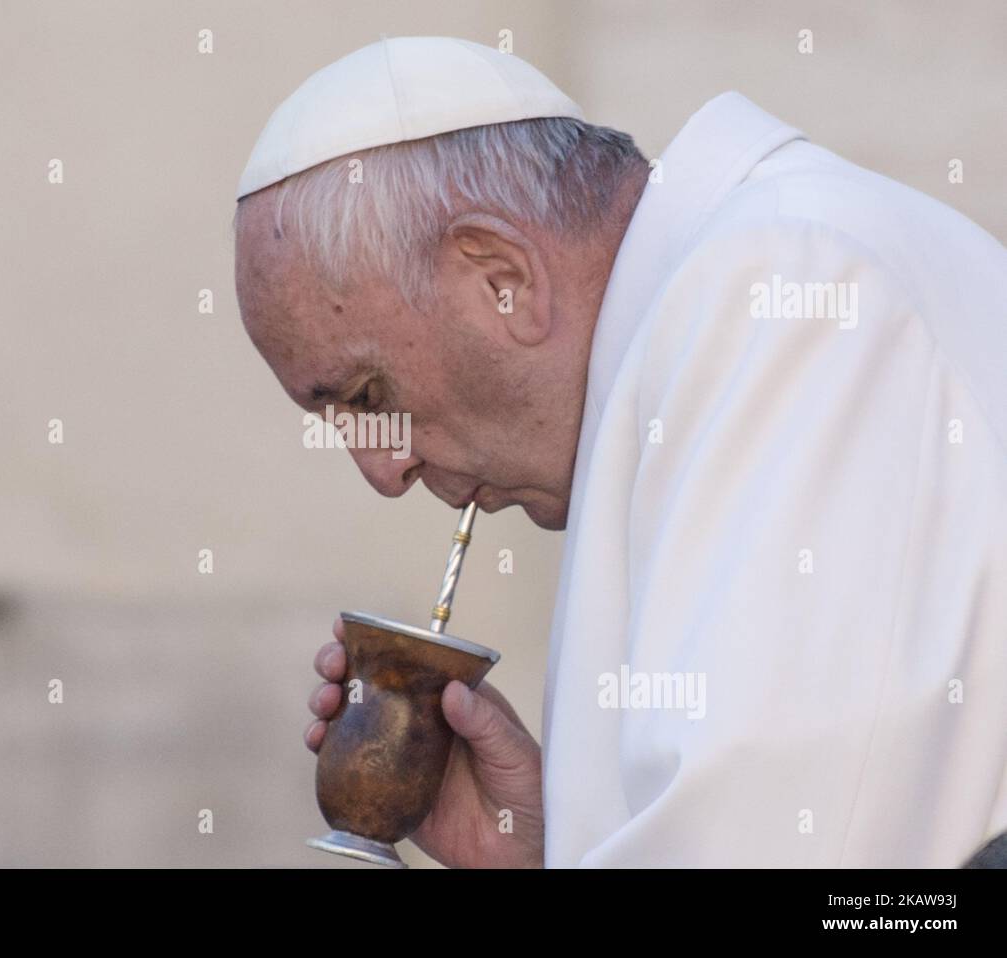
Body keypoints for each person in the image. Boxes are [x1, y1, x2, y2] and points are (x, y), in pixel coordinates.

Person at [233, 36, 1007, 867]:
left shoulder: (783, 296)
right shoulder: (734, 299)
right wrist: (543, 849)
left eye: (365, 397)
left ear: (502, 277)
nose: (386, 470)